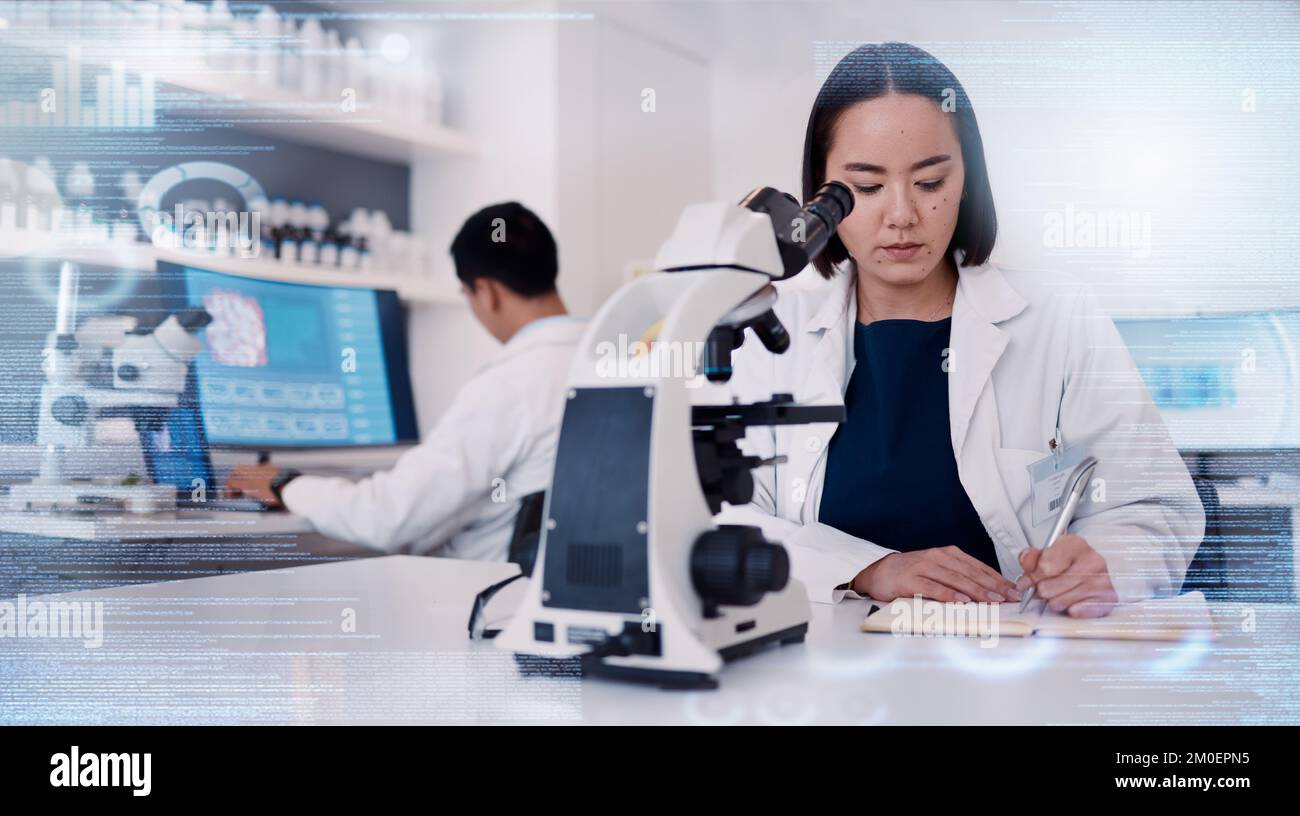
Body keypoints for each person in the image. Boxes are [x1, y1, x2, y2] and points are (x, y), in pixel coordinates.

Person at [718, 42, 1204, 617]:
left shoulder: (1059, 318)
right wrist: (867, 569)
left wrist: (1107, 563)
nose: (901, 215)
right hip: (824, 680)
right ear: (818, 193)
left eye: (929, 182)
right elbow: (720, 521)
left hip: (1014, 679)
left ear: (967, 179)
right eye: (866, 188)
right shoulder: (772, 333)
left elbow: (1153, 507)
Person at [227, 202, 584, 560]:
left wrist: (285, 483)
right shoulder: (609, 361)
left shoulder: (510, 385)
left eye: (467, 295)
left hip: (491, 602)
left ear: (485, 292)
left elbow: (386, 518)